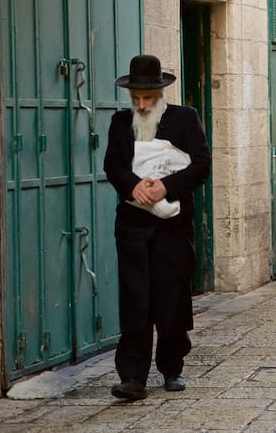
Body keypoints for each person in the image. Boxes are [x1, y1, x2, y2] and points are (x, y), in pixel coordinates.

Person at [103, 54, 211, 401]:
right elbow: (113, 165)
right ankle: (132, 377)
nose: (142, 104)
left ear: (160, 93)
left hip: (173, 228)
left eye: (148, 98)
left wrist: (167, 186)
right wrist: (132, 185)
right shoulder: (120, 123)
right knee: (135, 297)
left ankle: (171, 367)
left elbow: (202, 165)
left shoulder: (185, 119)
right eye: (136, 98)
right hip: (133, 226)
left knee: (171, 296)